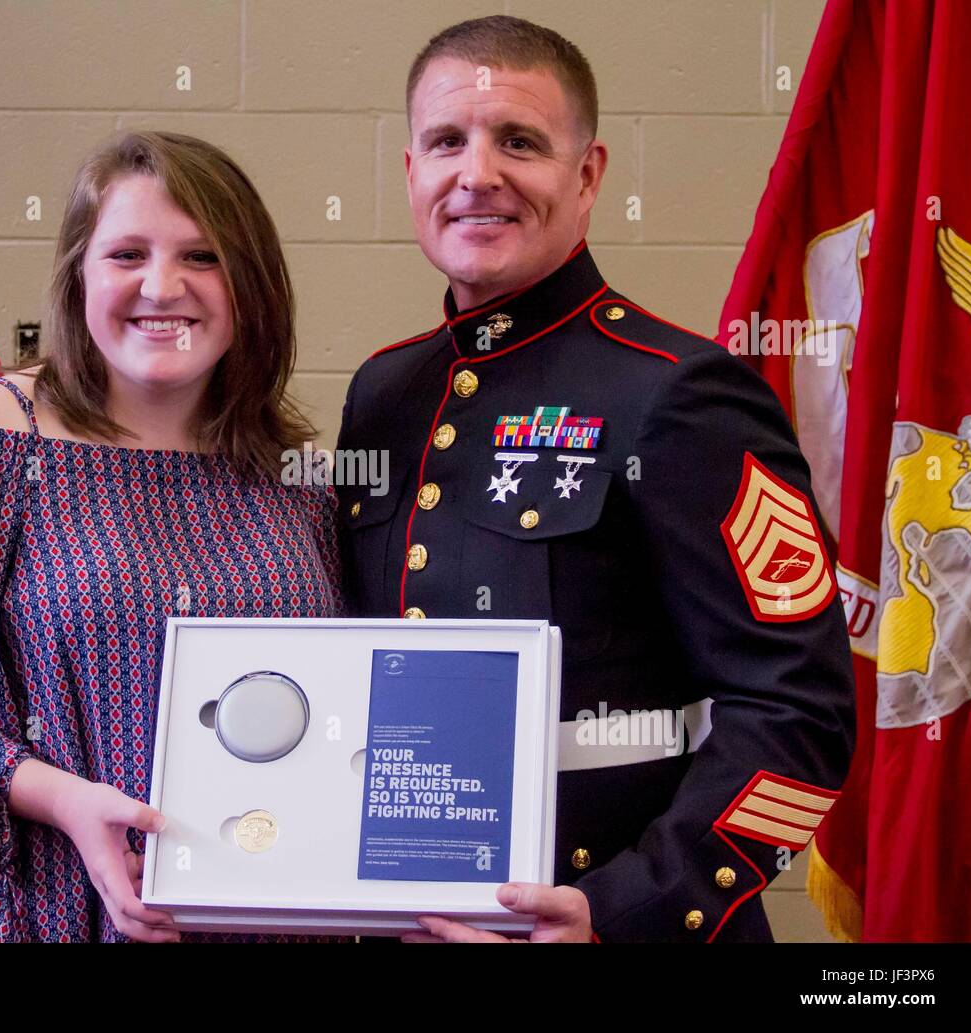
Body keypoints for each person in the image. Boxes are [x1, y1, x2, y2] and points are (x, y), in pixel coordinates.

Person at [334, 15, 856, 942]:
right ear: (411, 173)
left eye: (520, 142)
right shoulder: (385, 393)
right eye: (447, 142)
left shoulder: (678, 391)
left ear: (587, 176)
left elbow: (797, 711)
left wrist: (631, 909)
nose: (478, 174)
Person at [0, 131, 345, 942]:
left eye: (203, 257)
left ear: (252, 286)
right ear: (79, 276)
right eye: (127, 254)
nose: (162, 285)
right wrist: (67, 800)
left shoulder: (296, 479)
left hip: (250, 915)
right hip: (27, 910)